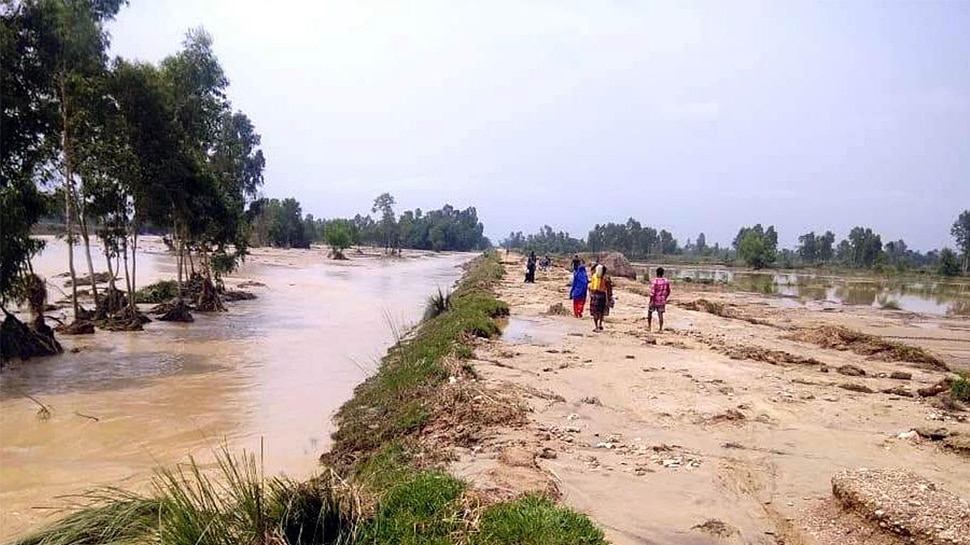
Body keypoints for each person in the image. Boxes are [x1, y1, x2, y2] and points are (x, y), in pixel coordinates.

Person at [647, 266, 671, 332]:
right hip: (662, 300)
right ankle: (660, 329)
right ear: (663, 273)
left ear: (656, 273)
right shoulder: (666, 281)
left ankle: (649, 327)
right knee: (660, 314)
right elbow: (668, 291)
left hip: (654, 300)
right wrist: (665, 298)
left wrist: (651, 301)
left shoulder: (654, 281)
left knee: (650, 313)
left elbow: (652, 292)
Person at [589, 264, 609, 331]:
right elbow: (608, 288)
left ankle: (596, 326)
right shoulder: (606, 278)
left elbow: (591, 287)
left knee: (595, 311)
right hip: (602, 295)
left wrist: (590, 295)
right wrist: (609, 298)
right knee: (601, 311)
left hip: (595, 295)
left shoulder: (594, 276)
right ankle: (600, 324)